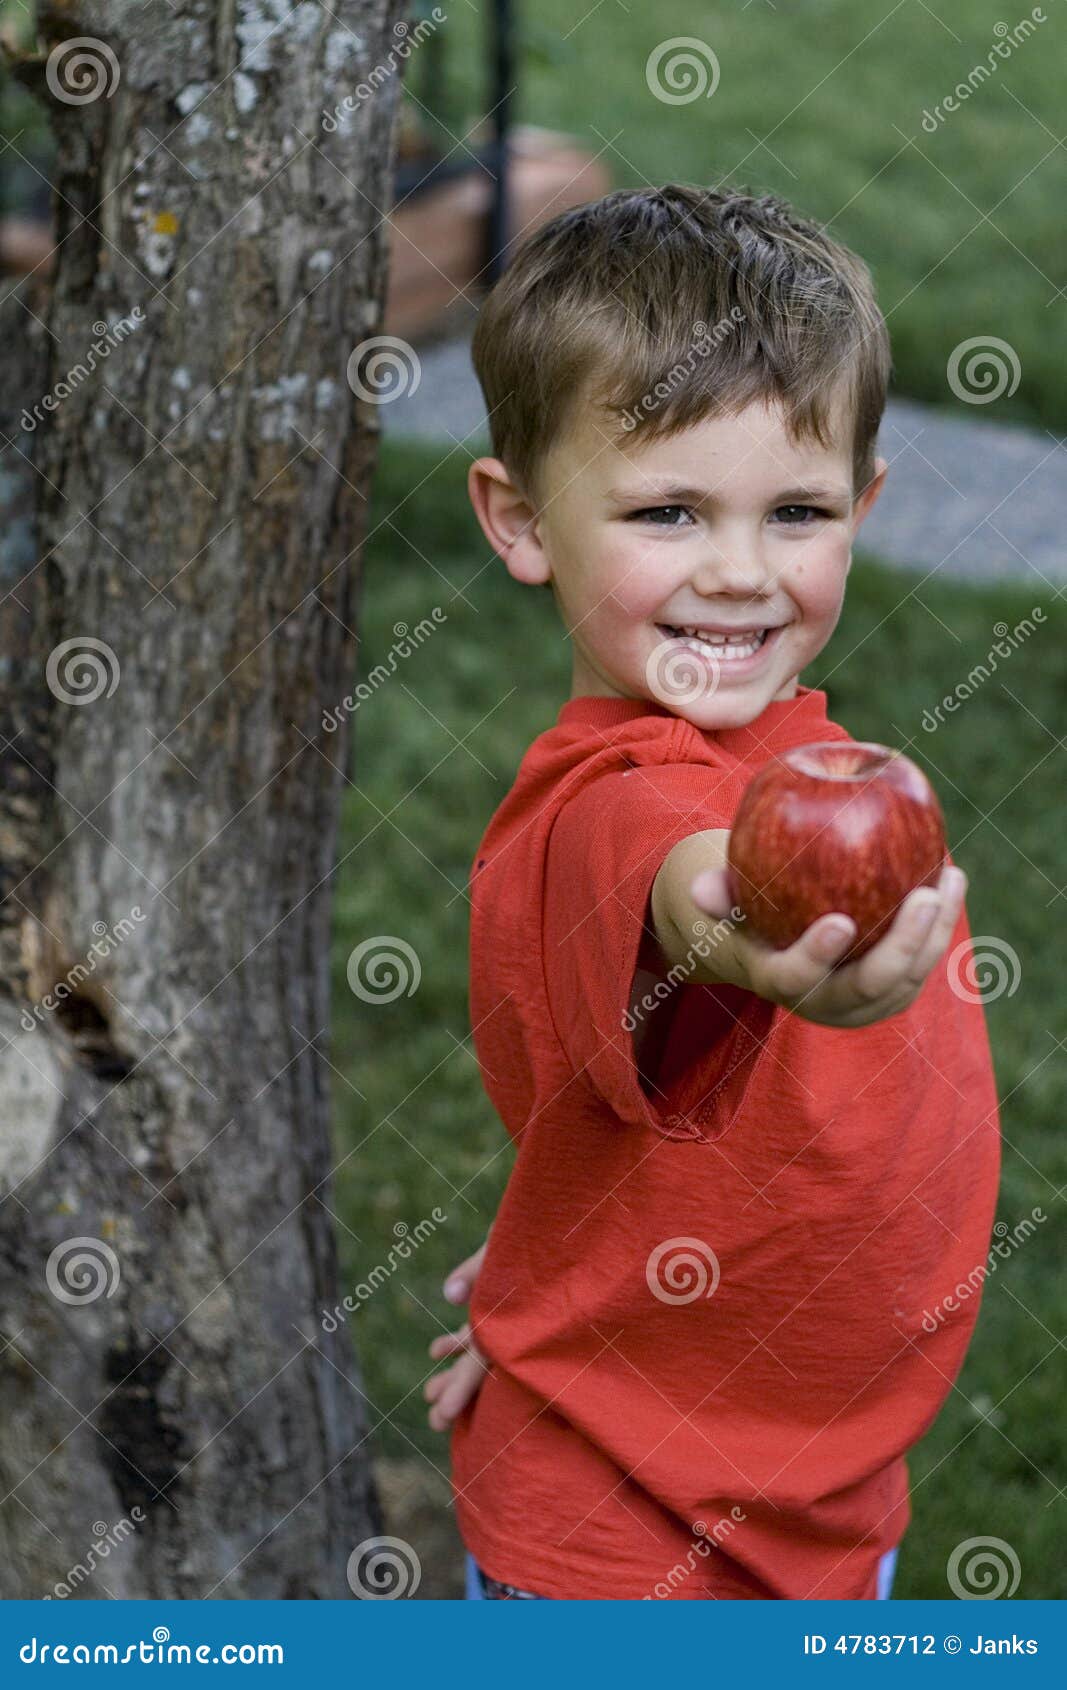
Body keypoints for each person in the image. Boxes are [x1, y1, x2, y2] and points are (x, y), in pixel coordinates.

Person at [423, 183, 1001, 1600]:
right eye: (669, 510)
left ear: (863, 508)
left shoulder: (820, 760)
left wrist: (547, 1262)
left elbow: (642, 1100)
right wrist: (752, 939)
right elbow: (685, 889)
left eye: (795, 510)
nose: (742, 573)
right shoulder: (606, 810)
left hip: (821, 1496)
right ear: (520, 518)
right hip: (632, 1539)